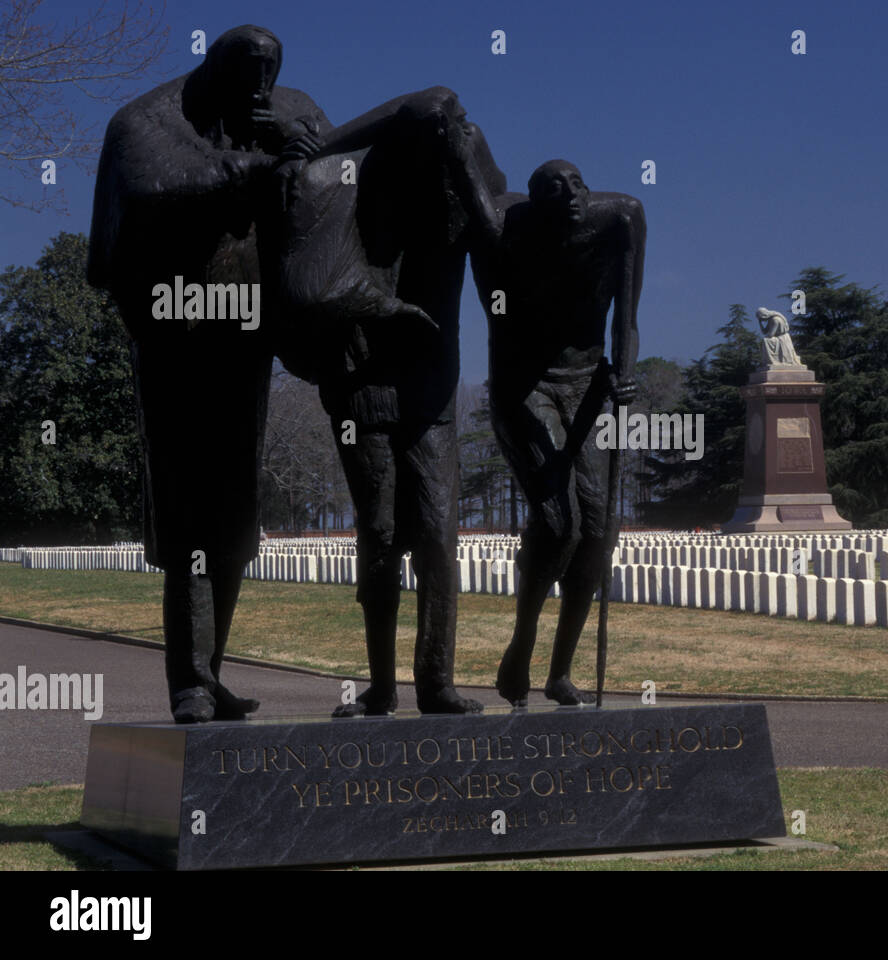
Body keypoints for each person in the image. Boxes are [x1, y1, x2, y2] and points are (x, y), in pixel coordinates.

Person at [88, 25, 328, 723]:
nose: (258, 94)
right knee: (189, 513)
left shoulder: (290, 109)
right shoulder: (147, 119)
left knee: (233, 520)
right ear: (214, 69)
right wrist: (260, 168)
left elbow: (338, 183)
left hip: (245, 334)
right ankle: (190, 680)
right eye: (244, 78)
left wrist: (300, 149)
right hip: (174, 332)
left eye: (269, 77)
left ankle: (210, 673)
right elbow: (153, 186)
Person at [272, 88, 506, 716]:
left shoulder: (463, 199)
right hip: (363, 384)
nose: (455, 130)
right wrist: (385, 307)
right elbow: (302, 290)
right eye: (448, 132)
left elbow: (500, 252)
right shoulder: (337, 184)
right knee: (378, 535)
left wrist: (464, 165)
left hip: (430, 389)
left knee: (438, 534)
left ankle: (436, 680)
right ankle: (381, 685)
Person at [459, 155, 645, 706]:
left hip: (590, 382)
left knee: (598, 532)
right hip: (527, 384)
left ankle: (560, 671)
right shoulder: (508, 233)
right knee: (557, 521)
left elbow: (626, 320)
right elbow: (496, 316)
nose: (571, 193)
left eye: (577, 182)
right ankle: (522, 642)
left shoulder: (623, 218)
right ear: (534, 204)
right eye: (554, 188)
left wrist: (626, 374)